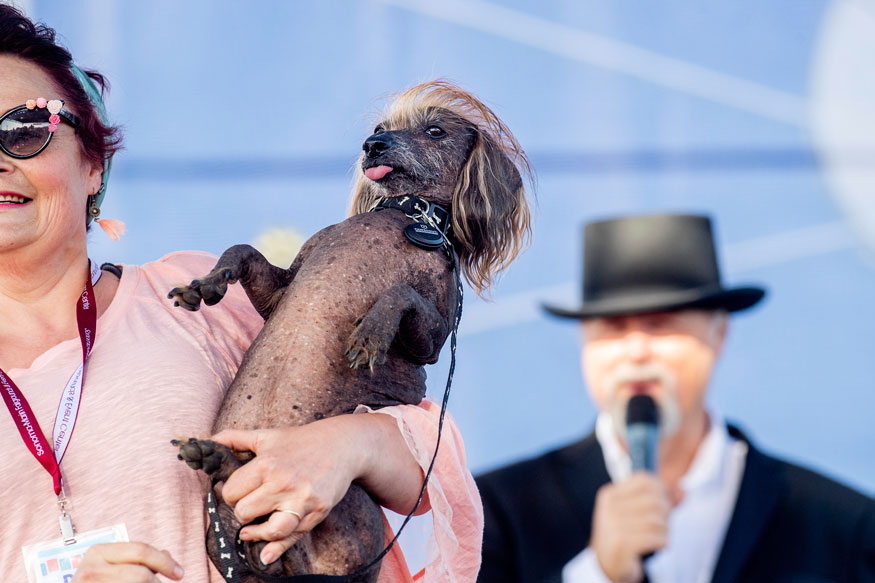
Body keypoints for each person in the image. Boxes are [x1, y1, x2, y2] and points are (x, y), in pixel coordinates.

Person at [0, 5, 481, 582]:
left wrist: (347, 446)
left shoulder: (196, 300)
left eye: (23, 130)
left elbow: (430, 465)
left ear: (93, 163)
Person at [475, 213, 875, 583]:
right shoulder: (497, 511)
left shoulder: (841, 523)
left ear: (719, 336)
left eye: (660, 324)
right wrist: (599, 573)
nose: (636, 352)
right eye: (612, 327)